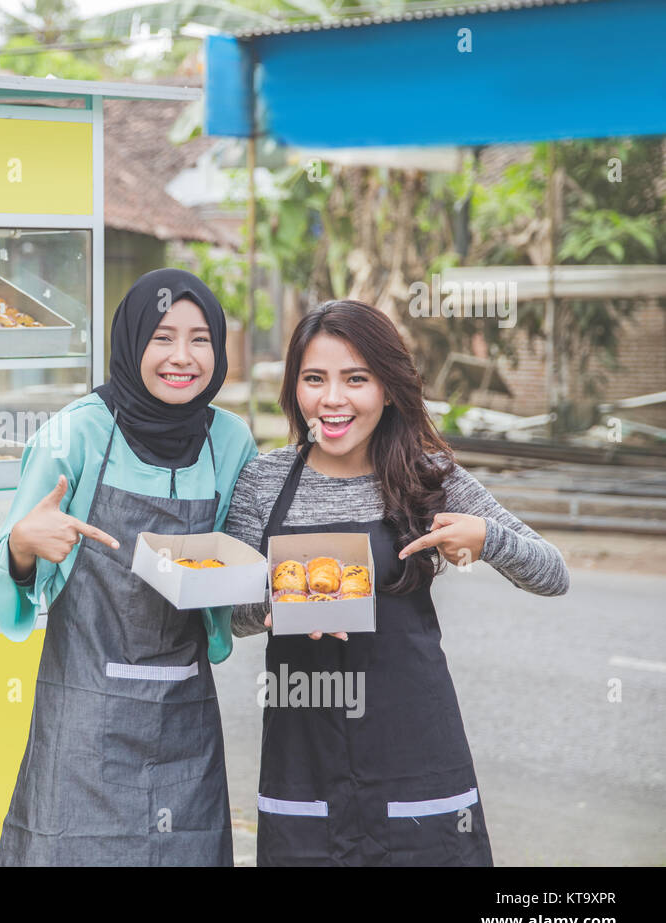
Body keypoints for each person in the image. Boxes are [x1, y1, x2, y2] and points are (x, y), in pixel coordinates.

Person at [226, 299, 570, 866]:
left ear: (387, 387)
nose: (333, 399)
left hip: (416, 751)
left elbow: (552, 574)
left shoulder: (428, 475)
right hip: (302, 755)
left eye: (355, 379)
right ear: (295, 390)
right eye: (314, 379)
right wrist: (278, 605)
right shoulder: (264, 481)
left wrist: (488, 540)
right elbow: (228, 614)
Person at [0, 269, 258, 866]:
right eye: (163, 338)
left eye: (200, 340)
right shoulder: (76, 432)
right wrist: (24, 544)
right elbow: (15, 568)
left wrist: (268, 597)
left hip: (185, 711)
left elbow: (239, 572)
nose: (182, 358)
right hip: (85, 711)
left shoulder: (232, 442)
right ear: (132, 340)